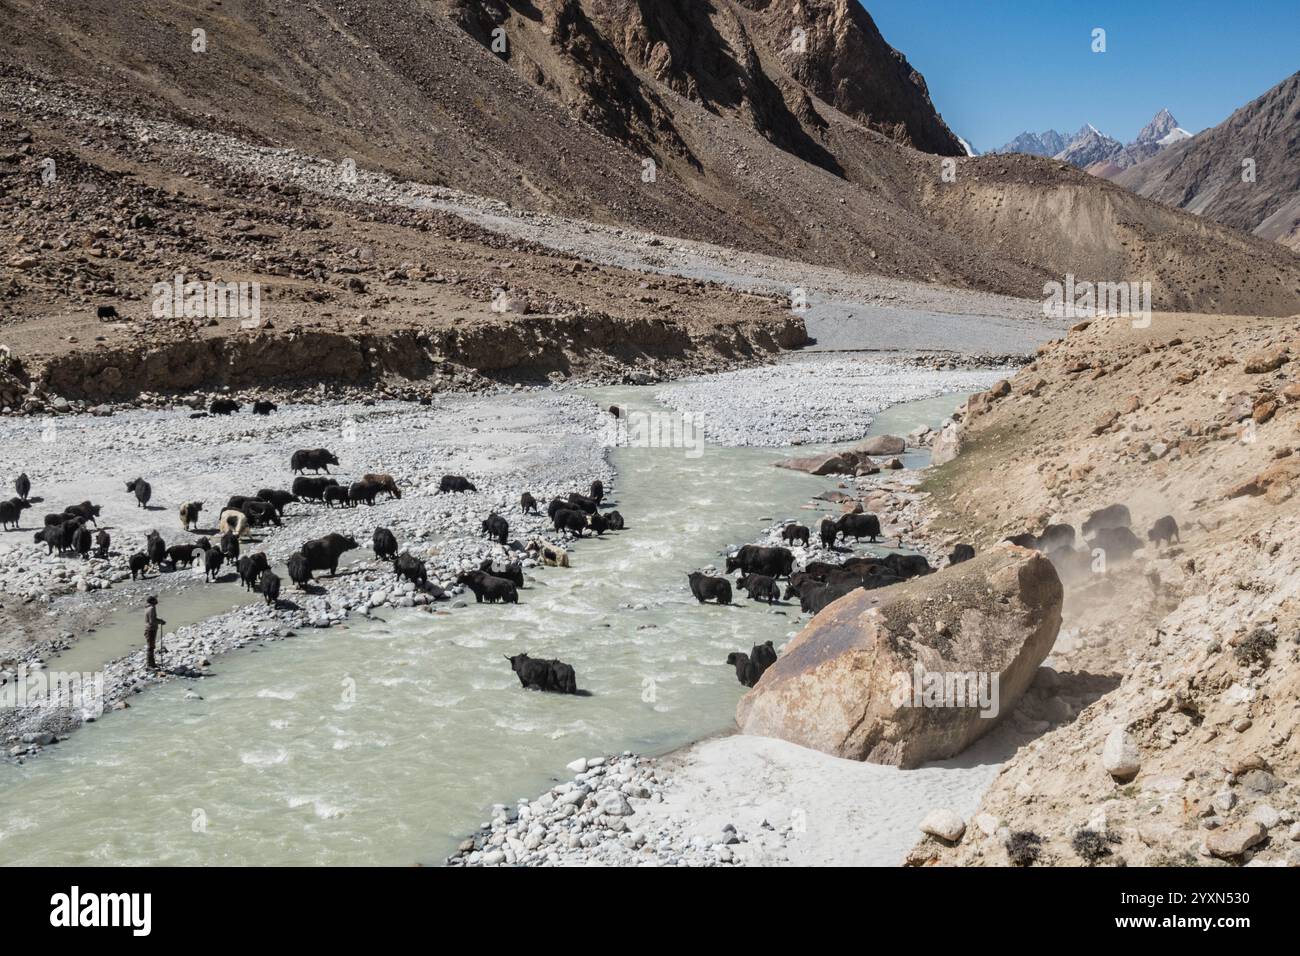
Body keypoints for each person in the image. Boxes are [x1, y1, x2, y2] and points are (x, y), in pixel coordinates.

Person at [144, 595, 165, 670]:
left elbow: (151, 619)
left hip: (148, 629)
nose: (157, 600)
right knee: (151, 647)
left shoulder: (147, 607)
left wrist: (159, 620)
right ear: (152, 601)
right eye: (155, 599)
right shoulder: (152, 608)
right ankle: (150, 665)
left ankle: (151, 663)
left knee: (150, 646)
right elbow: (152, 621)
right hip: (151, 629)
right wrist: (161, 621)